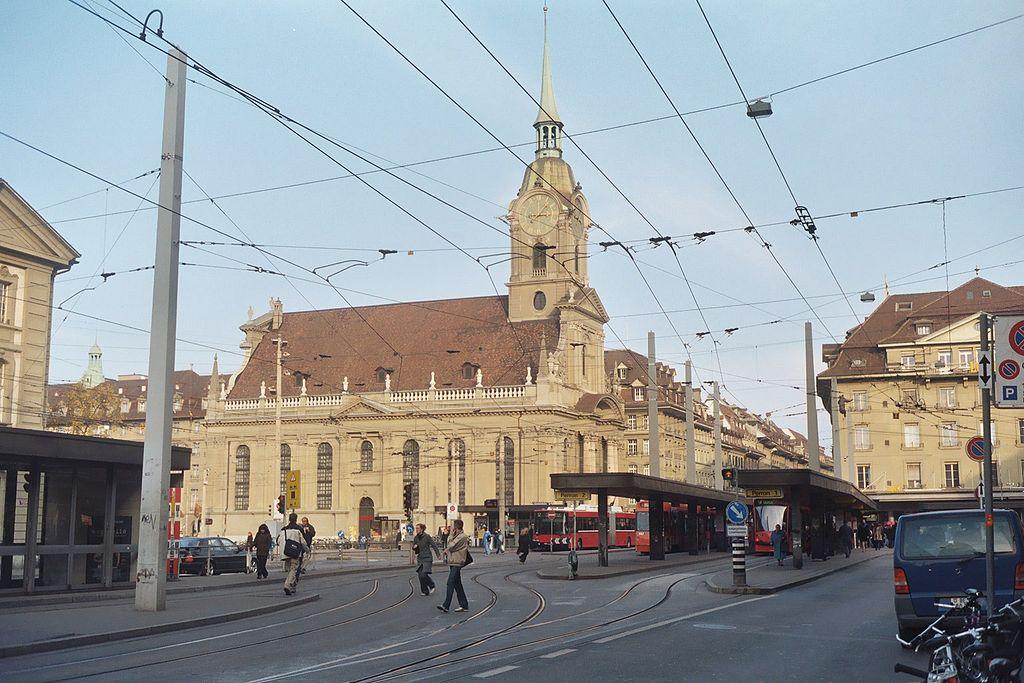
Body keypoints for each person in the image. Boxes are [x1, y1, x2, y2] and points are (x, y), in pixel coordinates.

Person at [437, 518, 470, 613]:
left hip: (457, 562)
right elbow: (449, 545)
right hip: (453, 561)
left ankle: (446, 605)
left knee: (450, 582)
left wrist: (451, 534)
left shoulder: (462, 536)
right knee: (457, 584)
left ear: (456, 527)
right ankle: (464, 605)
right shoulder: (457, 536)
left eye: (453, 526)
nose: (452, 528)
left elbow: (451, 545)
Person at [277, 512, 309, 595]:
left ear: (289, 519)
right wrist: (307, 550)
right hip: (295, 552)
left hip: (285, 551)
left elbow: (278, 541)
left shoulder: (283, 529)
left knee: (290, 570)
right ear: (296, 519)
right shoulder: (298, 529)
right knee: (293, 569)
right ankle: (287, 585)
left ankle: (292, 585)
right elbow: (303, 542)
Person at [412, 523, 440, 596]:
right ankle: (425, 591)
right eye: (416, 528)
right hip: (420, 558)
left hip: (427, 558)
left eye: (418, 528)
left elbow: (434, 545)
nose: (416, 530)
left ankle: (431, 585)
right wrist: (414, 547)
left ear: (422, 529)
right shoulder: (416, 538)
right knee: (420, 575)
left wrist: (438, 554)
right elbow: (415, 550)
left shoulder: (427, 536)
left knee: (424, 574)